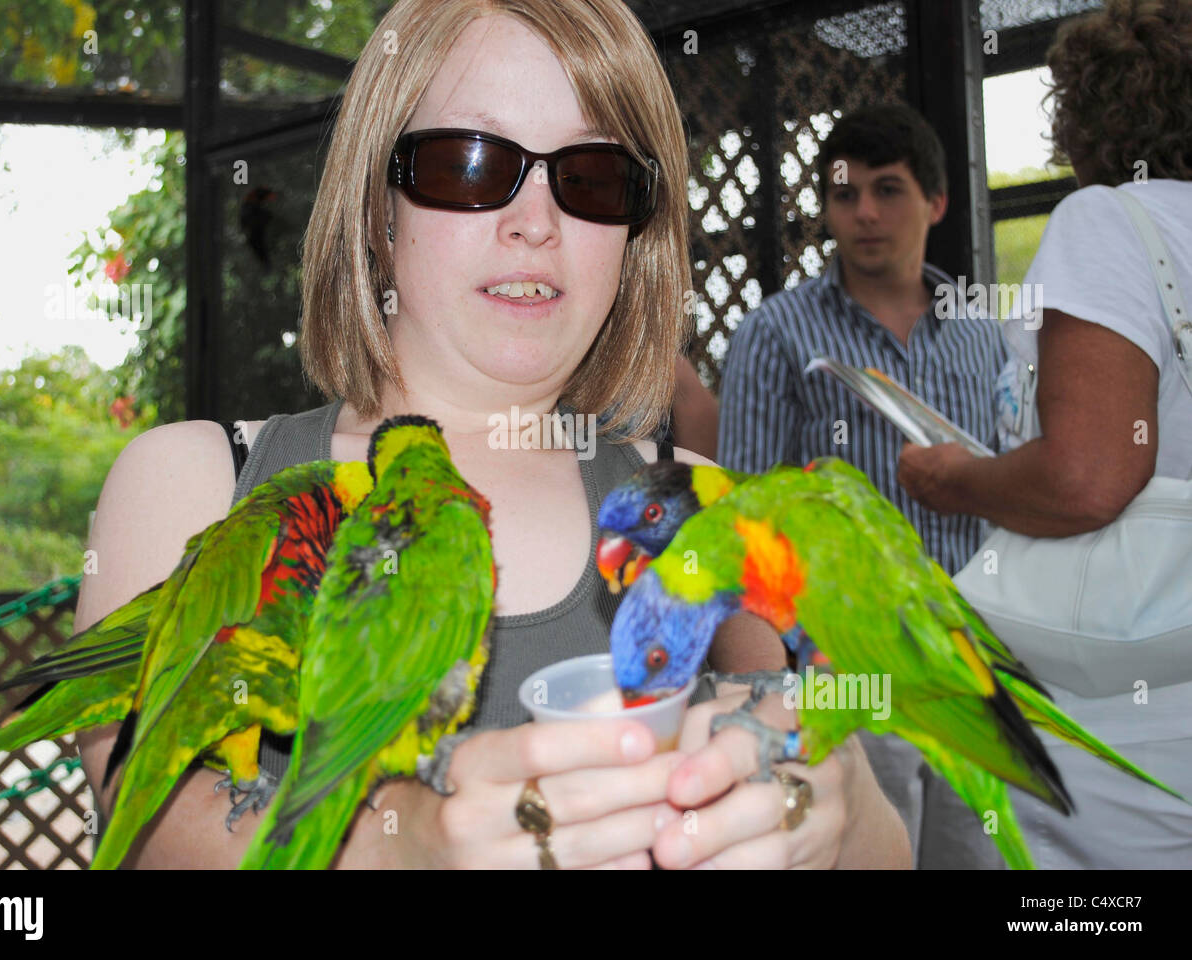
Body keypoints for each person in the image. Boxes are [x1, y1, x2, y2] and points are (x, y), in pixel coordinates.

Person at [74, 0, 909, 869]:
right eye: (468, 165)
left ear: (632, 234)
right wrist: (398, 845)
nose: (536, 221)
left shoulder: (699, 507)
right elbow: (145, 814)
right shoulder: (198, 484)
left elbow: (881, 843)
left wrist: (829, 805)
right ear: (374, 209)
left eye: (590, 177)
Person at [897, 0, 1192, 868]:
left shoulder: (1113, 222)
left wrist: (956, 478)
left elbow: (1087, 477)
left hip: (1118, 728)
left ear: (1091, 115)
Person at [717, 104, 1009, 869]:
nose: (865, 213)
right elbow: (750, 519)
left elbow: (1012, 489)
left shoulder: (983, 333)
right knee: (870, 853)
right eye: (844, 195)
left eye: (889, 190)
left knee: (975, 858)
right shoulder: (775, 334)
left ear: (938, 203)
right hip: (847, 666)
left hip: (969, 660)